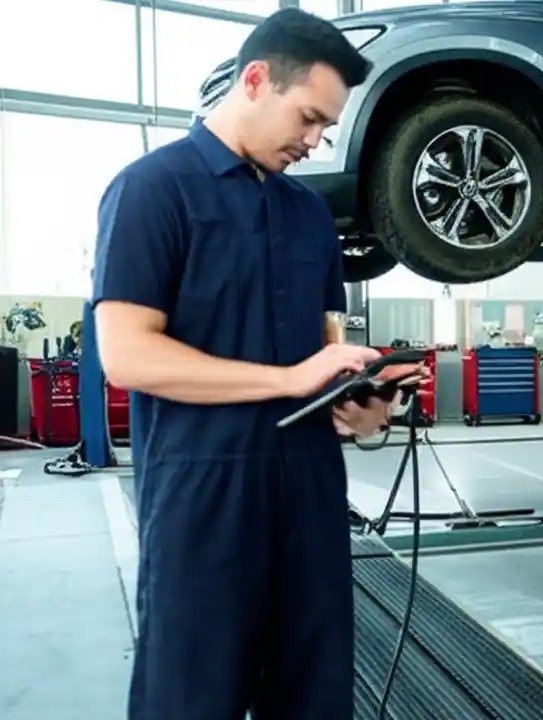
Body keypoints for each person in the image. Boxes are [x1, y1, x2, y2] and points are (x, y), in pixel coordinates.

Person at [92, 9, 406, 719]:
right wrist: (288, 382)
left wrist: (362, 409)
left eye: (327, 125)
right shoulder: (152, 190)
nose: (316, 139)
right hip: (204, 498)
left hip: (311, 501)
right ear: (257, 80)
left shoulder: (308, 216)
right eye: (308, 117)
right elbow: (128, 355)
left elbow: (325, 354)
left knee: (315, 697)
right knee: (192, 699)